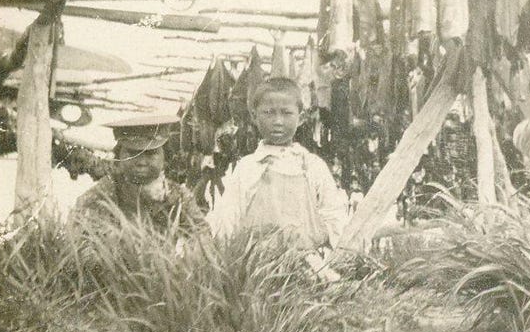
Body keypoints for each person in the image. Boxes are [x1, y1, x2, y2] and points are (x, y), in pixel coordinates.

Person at [206, 77, 348, 253]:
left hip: (309, 268)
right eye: (268, 113)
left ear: (301, 117)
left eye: (286, 113)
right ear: (254, 116)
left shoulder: (312, 166)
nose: (278, 121)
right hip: (258, 269)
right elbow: (227, 221)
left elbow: (334, 216)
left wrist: (320, 245)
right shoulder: (247, 168)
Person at [70, 115, 207, 235]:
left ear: (166, 158)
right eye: (132, 153)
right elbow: (83, 246)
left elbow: (202, 237)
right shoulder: (100, 196)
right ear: (119, 156)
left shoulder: (179, 197)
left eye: (150, 154)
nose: (141, 162)